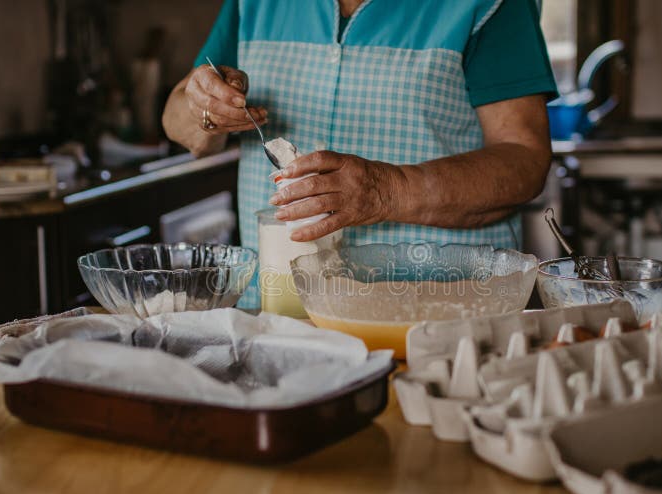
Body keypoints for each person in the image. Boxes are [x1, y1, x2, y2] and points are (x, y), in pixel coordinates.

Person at [163, 0, 556, 308]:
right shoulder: (253, 2)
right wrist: (205, 109)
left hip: (443, 312)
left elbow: (525, 158)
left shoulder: (490, 3)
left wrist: (387, 190)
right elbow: (180, 125)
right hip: (283, 314)